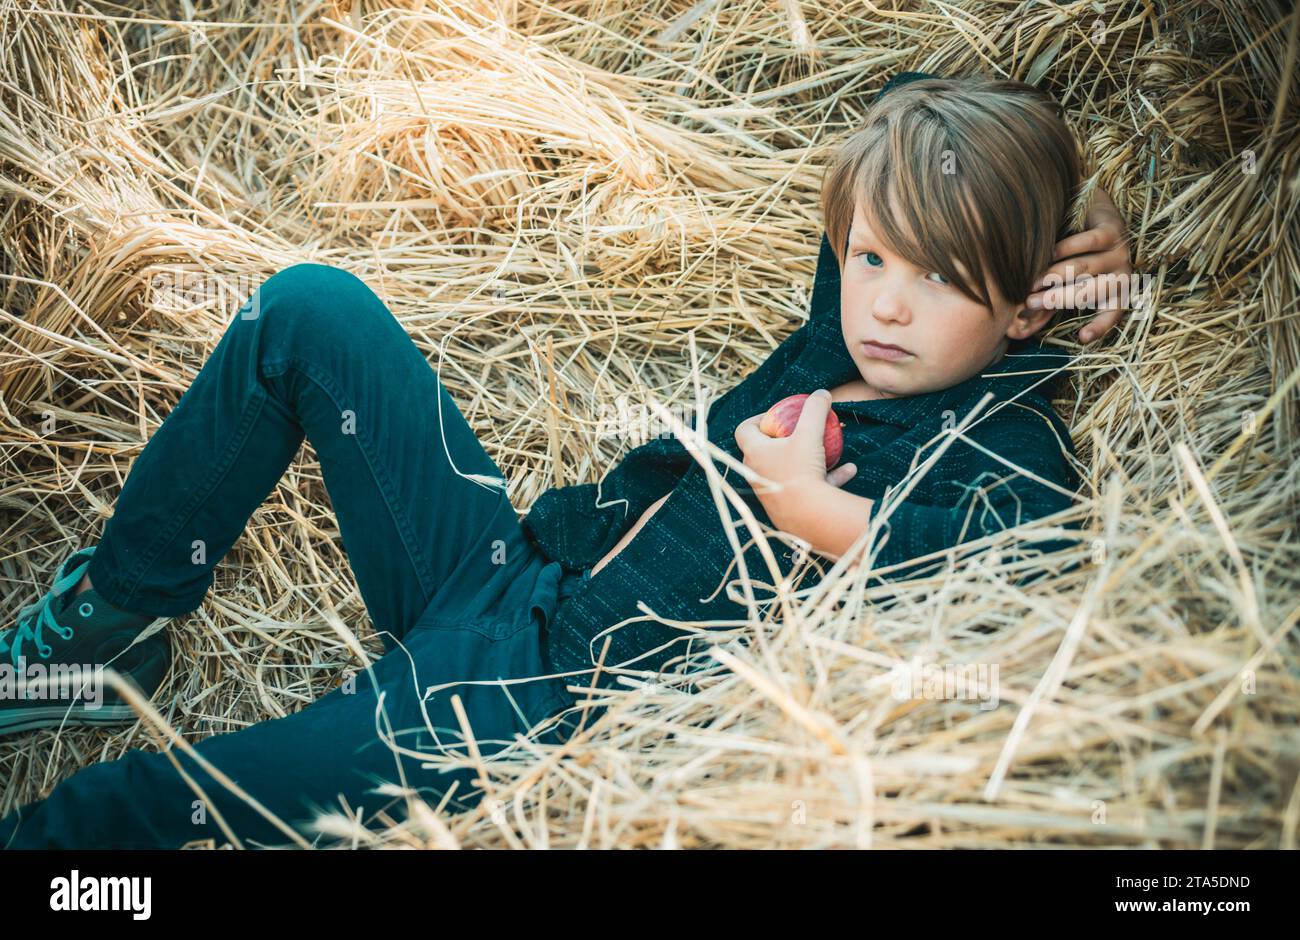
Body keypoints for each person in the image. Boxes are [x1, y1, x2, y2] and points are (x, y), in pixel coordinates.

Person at [0, 71, 1132, 849]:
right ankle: (113, 622)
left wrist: (825, 523)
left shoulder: (996, 438)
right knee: (307, 310)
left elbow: (1026, 581)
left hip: (523, 713)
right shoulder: (853, 329)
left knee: (145, 803)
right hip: (514, 573)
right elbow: (903, 144)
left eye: (940, 276)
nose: (885, 299)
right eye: (873, 255)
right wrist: (1085, 214)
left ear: (1023, 307)